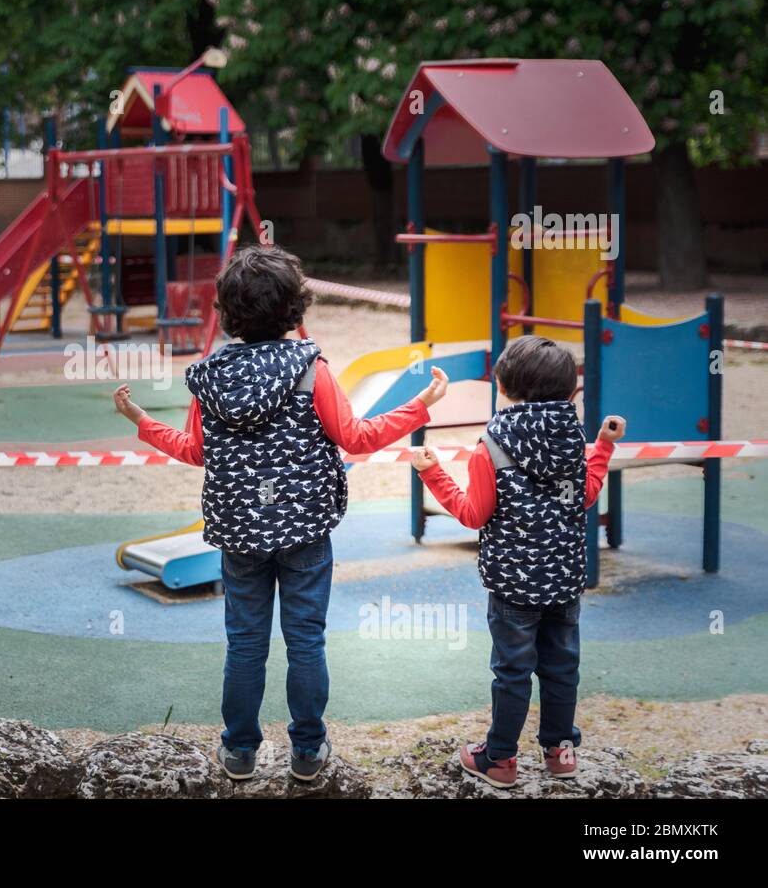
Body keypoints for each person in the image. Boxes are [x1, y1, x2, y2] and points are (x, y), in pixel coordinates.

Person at [113, 244, 446, 781]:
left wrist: (142, 419)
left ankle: (240, 751)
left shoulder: (210, 376)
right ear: (296, 309)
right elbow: (356, 437)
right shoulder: (312, 370)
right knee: (305, 640)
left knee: (245, 644)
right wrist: (420, 406)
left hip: (240, 531)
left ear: (226, 311)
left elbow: (196, 451)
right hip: (306, 529)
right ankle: (308, 751)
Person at [411, 334, 625, 788]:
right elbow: (584, 496)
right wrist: (602, 448)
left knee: (512, 670)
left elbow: (474, 514)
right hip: (565, 579)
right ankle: (560, 751)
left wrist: (432, 472)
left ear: (502, 388)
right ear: (572, 393)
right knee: (562, 665)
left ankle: (500, 759)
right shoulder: (574, 439)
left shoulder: (491, 446)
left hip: (513, 585)